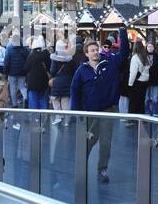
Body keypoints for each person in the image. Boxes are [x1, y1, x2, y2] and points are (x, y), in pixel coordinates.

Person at [70, 26, 129, 183]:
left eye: (97, 49)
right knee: (88, 141)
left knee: (105, 143)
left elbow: (124, 54)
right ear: (87, 54)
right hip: (89, 113)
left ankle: (102, 170)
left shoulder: (110, 63)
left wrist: (123, 33)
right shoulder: (82, 71)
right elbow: (74, 91)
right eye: (92, 50)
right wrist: (76, 112)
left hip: (108, 111)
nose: (95, 52)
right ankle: (81, 166)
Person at [48, 39, 77, 112]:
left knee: (55, 102)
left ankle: (58, 117)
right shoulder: (70, 59)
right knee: (66, 103)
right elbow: (74, 72)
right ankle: (66, 121)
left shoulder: (54, 59)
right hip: (67, 84)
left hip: (56, 84)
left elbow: (52, 72)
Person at [24, 35, 51, 110]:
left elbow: (26, 68)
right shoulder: (46, 54)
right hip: (44, 82)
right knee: (43, 100)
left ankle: (34, 119)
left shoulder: (31, 56)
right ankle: (43, 117)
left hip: (33, 83)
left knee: (33, 103)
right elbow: (49, 67)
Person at [3, 33, 28, 108]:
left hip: (12, 72)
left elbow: (6, 62)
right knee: (22, 86)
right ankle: (25, 97)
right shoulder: (24, 49)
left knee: (13, 88)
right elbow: (28, 59)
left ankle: (14, 104)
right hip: (22, 72)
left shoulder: (9, 49)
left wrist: (5, 72)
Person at [126, 39, 151, 115]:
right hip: (145, 81)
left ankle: (132, 119)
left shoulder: (135, 57)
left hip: (137, 82)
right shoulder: (146, 57)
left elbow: (133, 73)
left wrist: (130, 84)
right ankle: (141, 117)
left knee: (133, 102)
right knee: (141, 101)